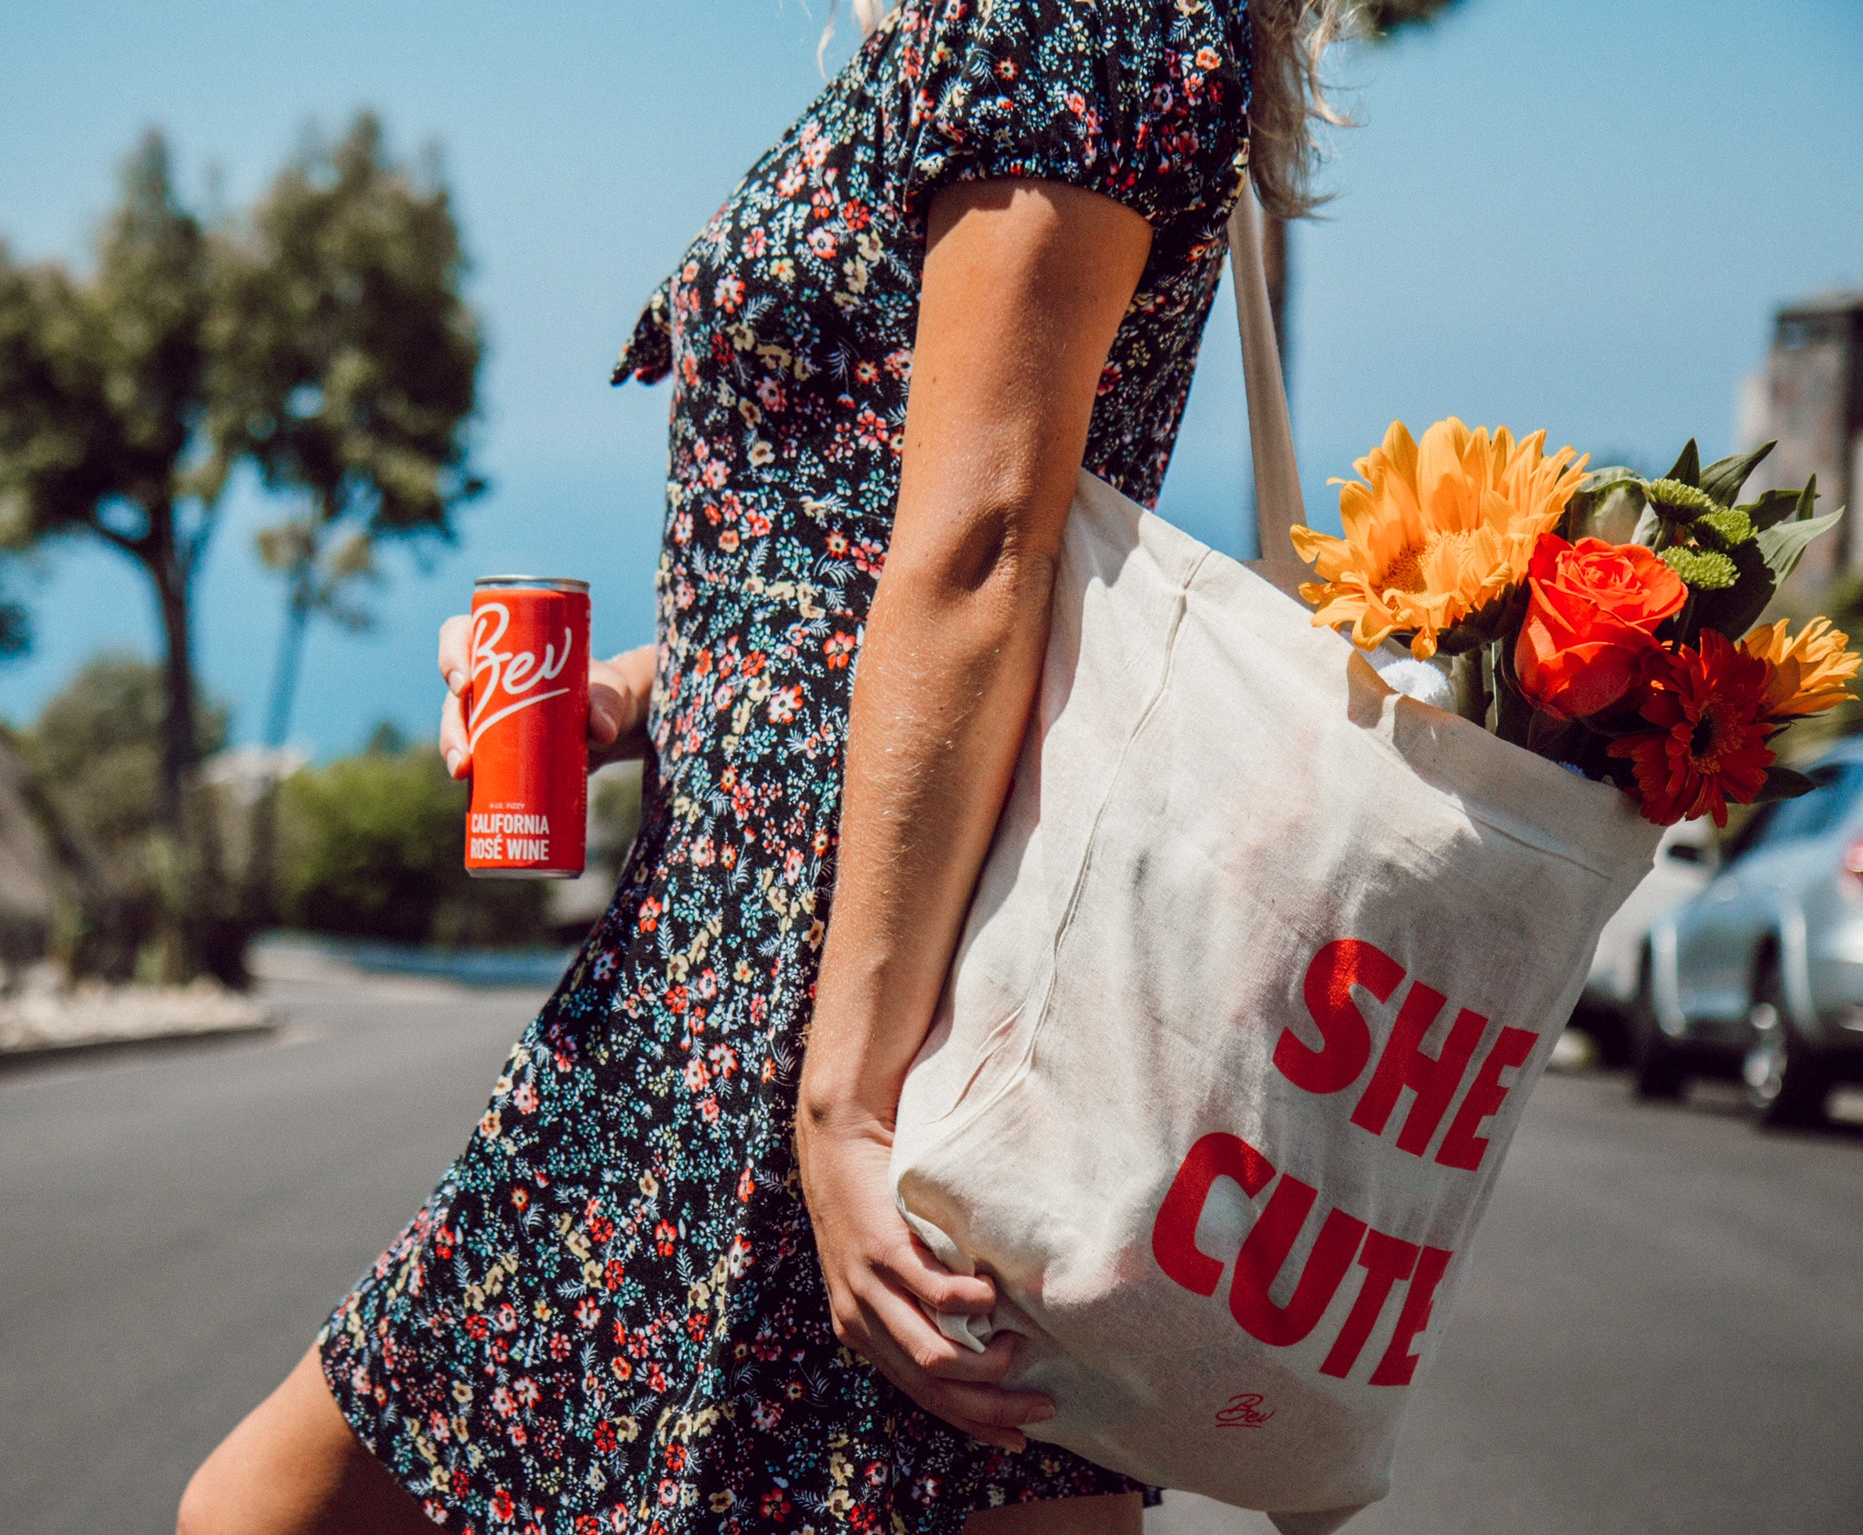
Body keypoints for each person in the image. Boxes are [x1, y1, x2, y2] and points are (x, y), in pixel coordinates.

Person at [183, 2, 1342, 1530]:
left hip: (854, 969)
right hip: (732, 969)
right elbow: (859, 539)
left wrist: (845, 1110)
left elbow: (987, 544)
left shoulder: (1065, 11)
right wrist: (637, 686)